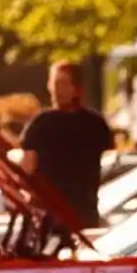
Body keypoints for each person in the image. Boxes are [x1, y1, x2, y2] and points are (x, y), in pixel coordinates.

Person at [19, 61, 113, 228]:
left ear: (77, 89)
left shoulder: (94, 124)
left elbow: (109, 160)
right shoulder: (40, 124)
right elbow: (28, 167)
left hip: (83, 213)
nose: (57, 90)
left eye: (63, 83)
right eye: (54, 83)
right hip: (47, 215)